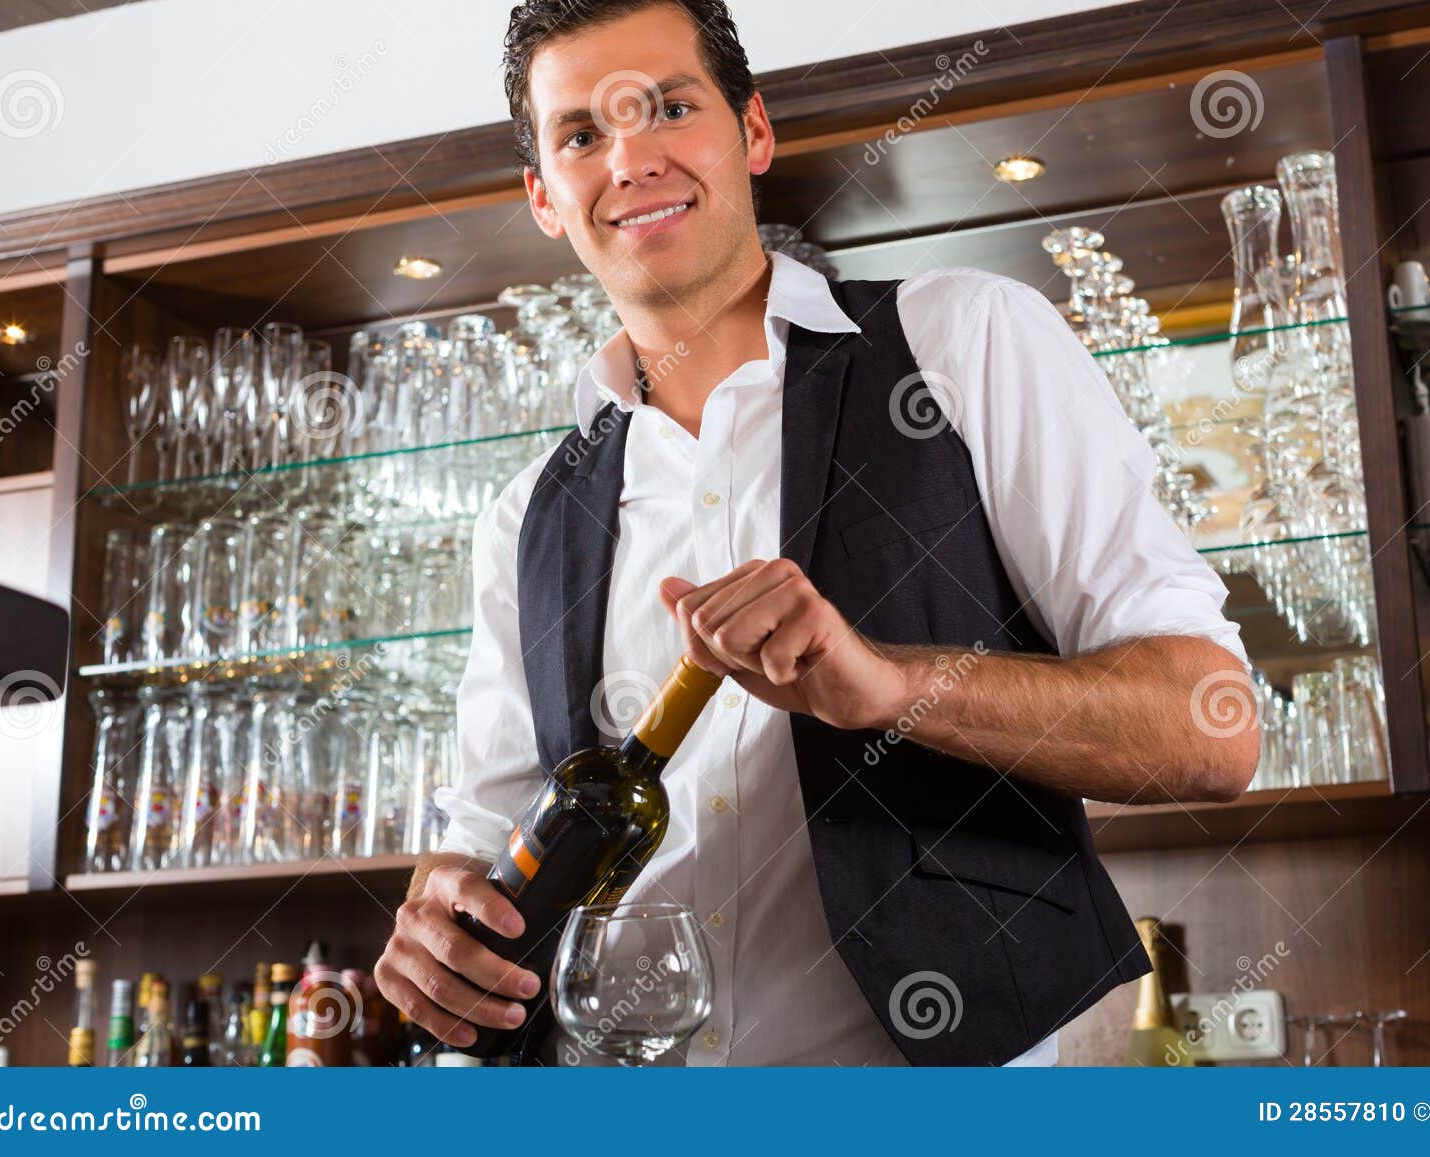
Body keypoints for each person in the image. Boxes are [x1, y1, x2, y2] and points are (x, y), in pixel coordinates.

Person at [374, 0, 1259, 1066]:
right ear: (544, 198)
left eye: (667, 107)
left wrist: (888, 687)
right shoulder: (528, 513)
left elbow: (1212, 728)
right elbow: (484, 843)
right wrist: (437, 918)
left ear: (752, 131)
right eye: (581, 135)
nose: (632, 159)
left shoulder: (961, 341)